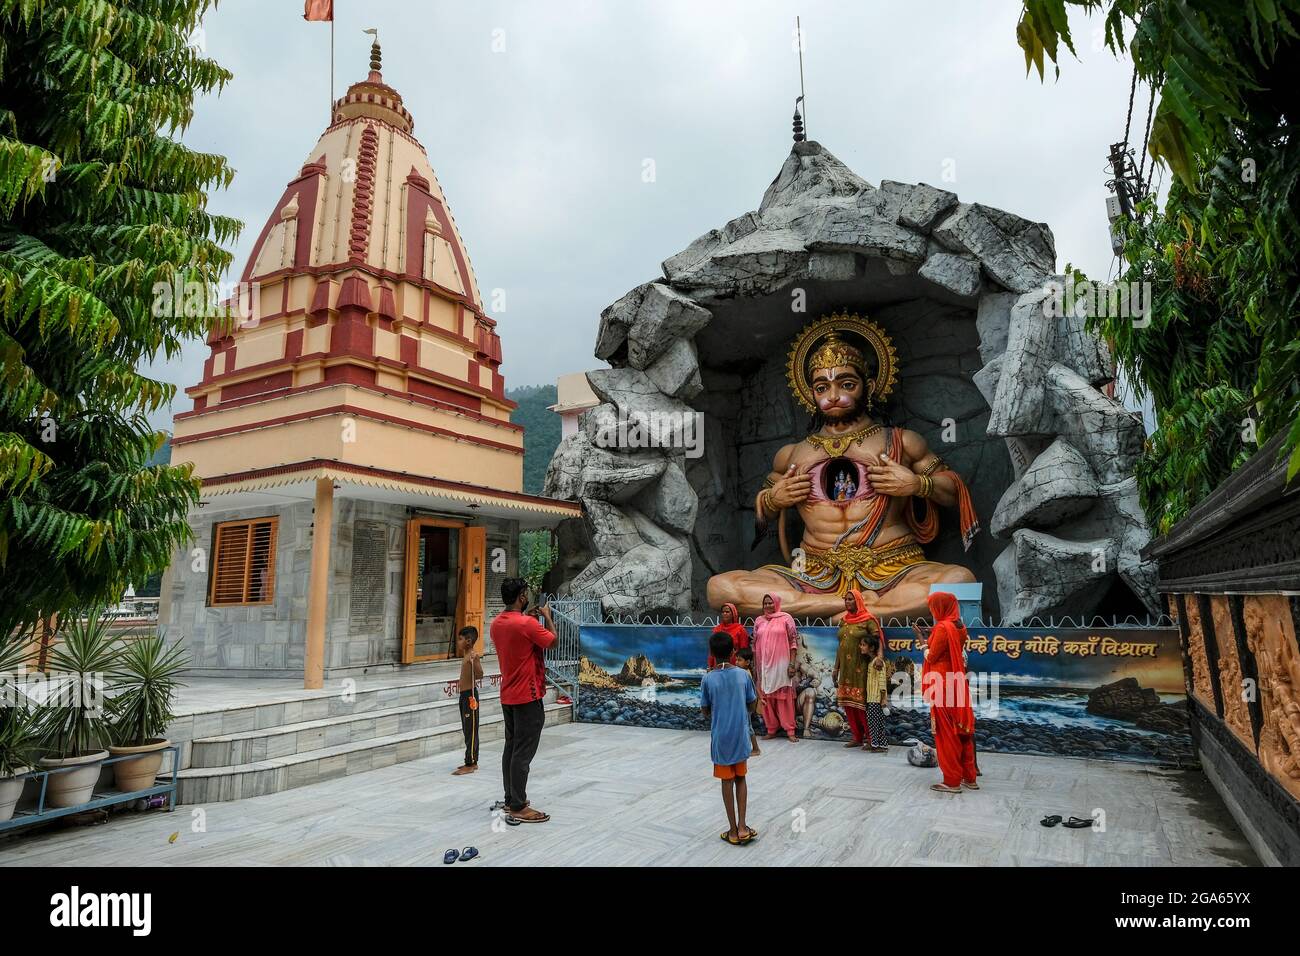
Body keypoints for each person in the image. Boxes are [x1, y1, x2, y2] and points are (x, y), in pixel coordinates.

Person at [490, 578, 557, 822]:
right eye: (526, 593)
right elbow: (552, 641)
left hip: (508, 694)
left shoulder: (497, 623)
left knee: (511, 747)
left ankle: (511, 798)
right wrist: (548, 617)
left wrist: (528, 618)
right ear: (521, 596)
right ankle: (518, 805)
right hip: (528, 696)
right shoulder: (527, 624)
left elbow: (519, 635)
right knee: (523, 753)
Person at [700, 631, 758, 846]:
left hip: (721, 738)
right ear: (733, 652)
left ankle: (732, 830)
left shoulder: (708, 678)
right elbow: (752, 703)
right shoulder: (743, 675)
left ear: (712, 654)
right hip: (740, 735)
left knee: (727, 781)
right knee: (741, 778)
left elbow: (705, 710)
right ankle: (743, 827)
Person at [922, 591, 977, 793]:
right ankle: (969, 778)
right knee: (962, 730)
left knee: (946, 734)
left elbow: (933, 656)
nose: (932, 611)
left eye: (933, 606)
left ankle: (952, 780)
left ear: (940, 607)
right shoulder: (959, 626)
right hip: (957, 681)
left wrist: (923, 648)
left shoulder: (942, 628)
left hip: (942, 684)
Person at [831, 589, 879, 748]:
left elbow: (877, 640)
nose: (847, 602)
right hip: (845, 669)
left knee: (862, 705)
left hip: (862, 668)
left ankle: (872, 739)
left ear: (858, 600)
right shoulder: (844, 620)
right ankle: (857, 737)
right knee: (849, 705)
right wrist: (836, 668)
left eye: (851, 599)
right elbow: (840, 646)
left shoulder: (868, 620)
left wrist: (878, 658)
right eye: (846, 599)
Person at [753, 593, 799, 741]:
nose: (767, 606)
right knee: (766, 696)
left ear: (777, 603)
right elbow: (754, 646)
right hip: (763, 665)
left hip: (781, 664)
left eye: (770, 603)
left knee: (783, 698)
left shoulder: (786, 618)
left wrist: (791, 664)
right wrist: (755, 666)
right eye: (765, 603)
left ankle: (790, 730)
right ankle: (771, 729)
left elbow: (793, 642)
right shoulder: (759, 621)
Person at [452, 626, 484, 775]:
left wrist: (474, 661)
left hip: (470, 696)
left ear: (469, 641)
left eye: (460, 639)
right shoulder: (466, 654)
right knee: (467, 729)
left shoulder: (472, 655)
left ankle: (470, 763)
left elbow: (480, 675)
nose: (458, 642)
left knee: (471, 729)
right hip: (463, 696)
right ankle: (471, 759)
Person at [862, 631, 890, 753]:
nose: (861, 647)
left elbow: (882, 681)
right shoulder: (871, 662)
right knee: (874, 722)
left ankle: (878, 745)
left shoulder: (878, 663)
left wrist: (883, 698)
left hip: (876, 698)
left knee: (876, 723)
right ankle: (877, 744)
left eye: (863, 645)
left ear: (872, 648)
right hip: (872, 698)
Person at [734, 646, 761, 756]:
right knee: (745, 727)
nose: (736, 662)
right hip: (742, 704)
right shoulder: (743, 673)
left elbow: (750, 691)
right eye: (736, 659)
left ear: (747, 662)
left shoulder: (746, 674)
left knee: (748, 727)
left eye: (739, 660)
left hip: (745, 705)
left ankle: (756, 748)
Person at [709, 602, 750, 669]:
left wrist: (742, 666)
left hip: (735, 665)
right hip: (718, 665)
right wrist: (710, 665)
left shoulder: (740, 630)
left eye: (727, 612)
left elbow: (744, 650)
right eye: (723, 612)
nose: (724, 614)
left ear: (733, 614)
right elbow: (712, 650)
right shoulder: (717, 629)